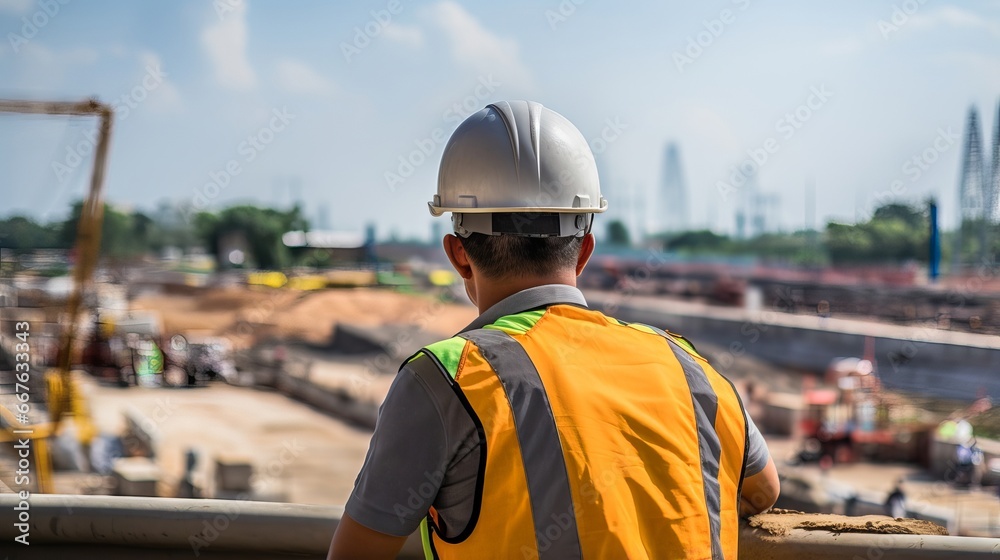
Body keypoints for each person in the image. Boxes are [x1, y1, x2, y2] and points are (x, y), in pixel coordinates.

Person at [328, 100, 779, 559]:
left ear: (458, 253)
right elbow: (763, 490)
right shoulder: (686, 364)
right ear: (584, 251)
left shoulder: (446, 379)